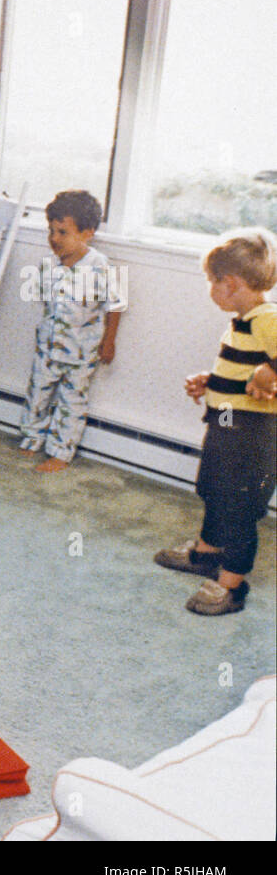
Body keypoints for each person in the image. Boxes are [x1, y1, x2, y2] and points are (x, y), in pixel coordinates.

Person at [154, 228, 277, 616]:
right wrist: (211, 382)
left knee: (238, 507)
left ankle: (231, 586)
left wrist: (268, 374)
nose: (210, 289)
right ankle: (206, 554)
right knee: (213, 490)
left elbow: (267, 367)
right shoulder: (243, 321)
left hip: (255, 433)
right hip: (226, 424)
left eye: (212, 281)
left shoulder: (267, 318)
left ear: (230, 283)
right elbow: (241, 369)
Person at [18, 190, 126, 472]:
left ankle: (60, 452)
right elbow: (47, 301)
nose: (54, 238)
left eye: (63, 232)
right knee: (37, 393)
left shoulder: (99, 265)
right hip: (48, 346)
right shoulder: (50, 264)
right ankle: (32, 438)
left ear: (87, 233)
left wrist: (109, 341)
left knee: (71, 401)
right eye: (51, 231)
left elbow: (115, 305)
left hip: (82, 351)